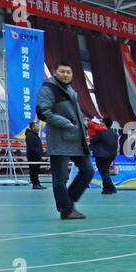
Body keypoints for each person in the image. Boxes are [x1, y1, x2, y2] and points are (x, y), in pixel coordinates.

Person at [36, 62, 93, 220]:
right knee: (60, 178)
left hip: (76, 140)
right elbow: (43, 112)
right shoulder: (48, 89)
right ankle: (66, 210)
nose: (66, 74)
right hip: (60, 140)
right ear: (55, 72)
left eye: (69, 72)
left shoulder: (69, 90)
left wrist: (84, 125)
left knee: (88, 171)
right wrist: (66, 123)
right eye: (62, 71)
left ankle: (68, 201)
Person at [89, 116, 120, 194]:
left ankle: (112, 188)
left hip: (101, 155)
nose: (100, 123)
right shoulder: (114, 133)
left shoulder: (101, 133)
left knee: (103, 172)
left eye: (101, 122)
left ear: (104, 123)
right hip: (111, 155)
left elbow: (92, 140)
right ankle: (106, 189)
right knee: (105, 171)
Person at [24, 120, 45, 189]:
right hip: (33, 156)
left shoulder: (35, 135)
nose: (38, 127)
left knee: (36, 171)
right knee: (33, 170)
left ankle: (37, 183)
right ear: (33, 127)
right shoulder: (30, 135)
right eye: (37, 126)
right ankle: (35, 184)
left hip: (37, 156)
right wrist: (38, 153)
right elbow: (32, 147)